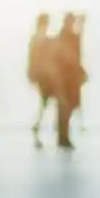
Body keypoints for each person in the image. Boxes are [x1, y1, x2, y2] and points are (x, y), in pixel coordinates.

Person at [54, 13, 87, 150]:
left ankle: (63, 135)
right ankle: (63, 136)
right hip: (66, 77)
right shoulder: (65, 37)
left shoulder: (65, 36)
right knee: (66, 106)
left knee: (67, 106)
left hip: (69, 76)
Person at [28, 13, 59, 149]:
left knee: (46, 102)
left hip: (43, 74)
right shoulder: (40, 38)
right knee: (47, 101)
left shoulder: (37, 38)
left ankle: (39, 125)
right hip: (45, 75)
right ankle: (39, 126)